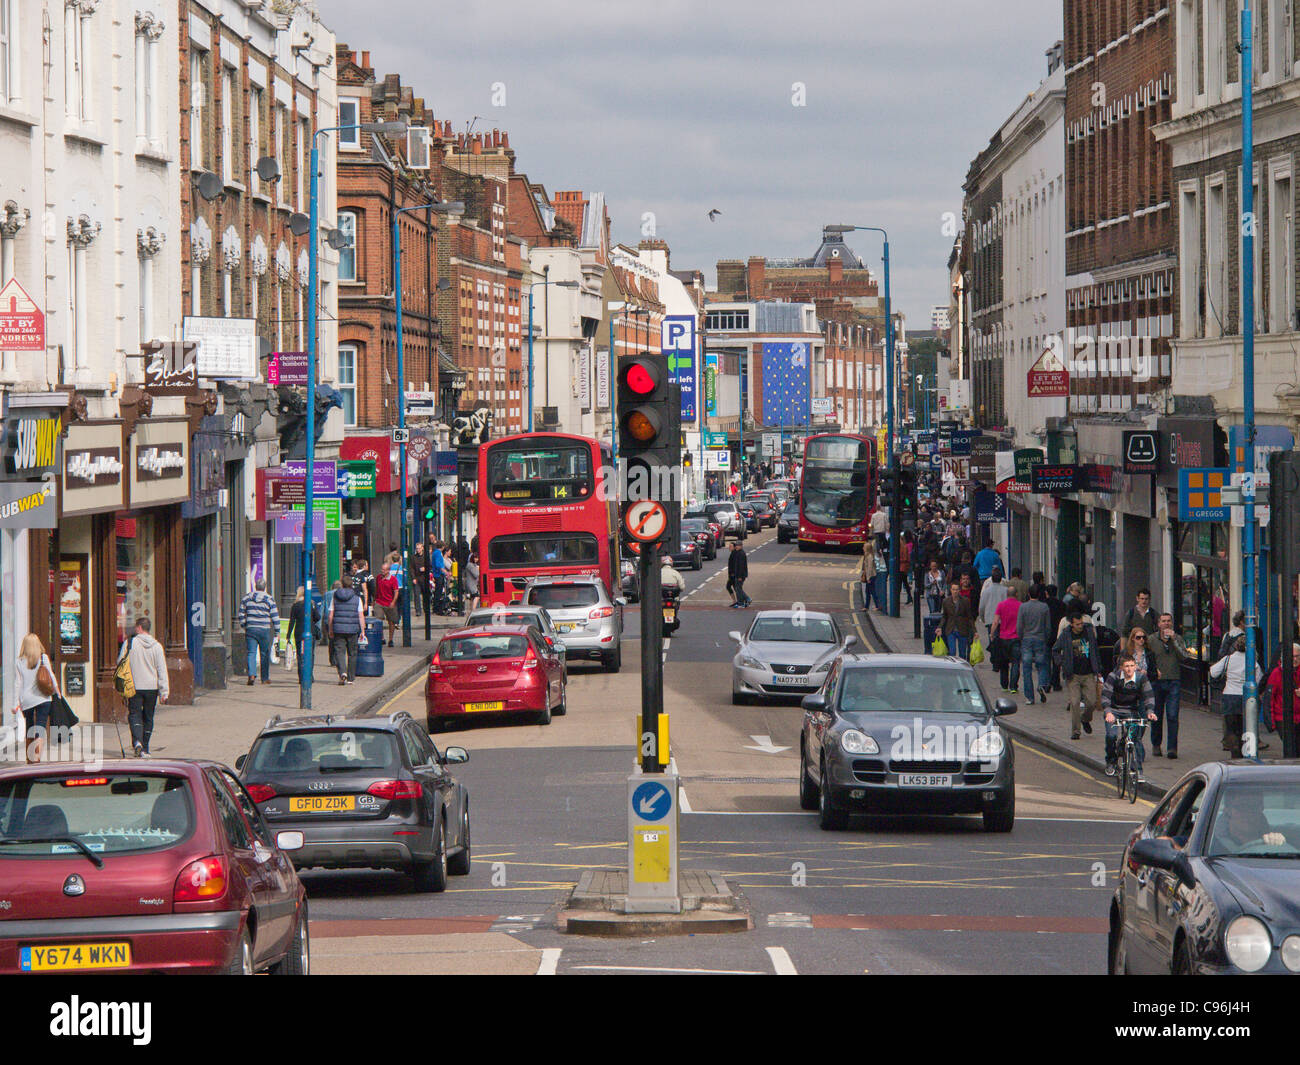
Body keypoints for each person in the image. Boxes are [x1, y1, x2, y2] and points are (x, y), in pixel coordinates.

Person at [117, 617, 169, 757]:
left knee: (134, 715)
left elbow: (120, 663)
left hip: (134, 686)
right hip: (151, 687)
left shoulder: (130, 643)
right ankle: (145, 747)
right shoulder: (157, 646)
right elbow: (161, 669)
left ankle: (137, 742)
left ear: (139, 627)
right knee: (148, 717)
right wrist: (164, 691)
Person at [1101, 653, 1158, 779]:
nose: (1129, 669)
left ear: (1135, 666)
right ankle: (1111, 761)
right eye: (1126, 666)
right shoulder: (1113, 677)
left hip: (1132, 711)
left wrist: (1150, 711)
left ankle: (1137, 771)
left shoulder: (1141, 678)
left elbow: (1149, 695)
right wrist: (1108, 712)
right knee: (1111, 736)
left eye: (1132, 666)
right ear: (1121, 668)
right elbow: (1105, 696)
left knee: (1135, 740)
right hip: (1114, 711)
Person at [1210, 635, 1263, 759]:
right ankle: (1248, 753)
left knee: (1232, 728)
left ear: (1235, 646)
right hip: (1246, 697)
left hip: (1229, 696)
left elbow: (1213, 672)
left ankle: (1235, 753)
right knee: (1247, 728)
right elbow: (1259, 679)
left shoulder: (1228, 659)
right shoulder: (1253, 662)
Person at [1053, 611, 1101, 740]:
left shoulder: (1089, 632)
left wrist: (1098, 668)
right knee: (1074, 702)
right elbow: (1055, 650)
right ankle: (1076, 731)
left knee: (1091, 702)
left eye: (1081, 623)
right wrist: (1062, 662)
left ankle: (1085, 719)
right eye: (1077, 624)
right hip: (1073, 674)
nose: (1080, 626)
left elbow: (1095, 650)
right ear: (1072, 624)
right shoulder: (1066, 635)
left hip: (1088, 673)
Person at [1147, 613, 1189, 759]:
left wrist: (1174, 640)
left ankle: (1172, 748)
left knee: (1172, 715)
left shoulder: (1177, 638)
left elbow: (1184, 656)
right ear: (1159, 624)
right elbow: (1147, 658)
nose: (1166, 624)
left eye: (1168, 621)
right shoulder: (1151, 639)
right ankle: (1156, 744)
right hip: (1157, 682)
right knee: (1156, 715)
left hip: (1173, 681)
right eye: (1163, 621)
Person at [14, 633, 55, 762]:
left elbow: (17, 683)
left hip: (26, 700)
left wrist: (15, 703)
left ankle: (29, 758)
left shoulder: (19, 661)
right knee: (41, 727)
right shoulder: (44, 658)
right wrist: (57, 691)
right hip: (43, 698)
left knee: (29, 727)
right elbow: (51, 676)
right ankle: (37, 757)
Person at [238, 578, 280, 686]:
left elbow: (241, 613)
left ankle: (251, 675)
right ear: (265, 587)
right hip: (264, 629)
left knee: (251, 653)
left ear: (255, 586)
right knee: (264, 653)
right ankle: (264, 678)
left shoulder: (247, 598)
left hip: (251, 628)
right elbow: (275, 616)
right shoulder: (269, 599)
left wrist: (244, 625)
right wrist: (277, 631)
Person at [327, 573, 366, 685]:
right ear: (352, 585)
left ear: (342, 584)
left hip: (338, 629)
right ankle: (350, 678)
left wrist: (330, 629)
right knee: (352, 653)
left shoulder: (335, 597)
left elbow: (330, 615)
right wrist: (362, 631)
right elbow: (361, 616)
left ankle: (342, 672)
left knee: (339, 652)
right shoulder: (357, 598)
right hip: (353, 629)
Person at [1018, 584, 1052, 706]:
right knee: (1041, 664)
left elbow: (1019, 626)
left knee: (1026, 668)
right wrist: (1046, 638)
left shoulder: (1023, 607)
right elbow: (1048, 626)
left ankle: (1029, 697)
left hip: (1027, 639)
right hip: (1040, 638)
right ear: (1039, 594)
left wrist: (1021, 637)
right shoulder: (1044, 607)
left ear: (1028, 594)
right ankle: (1041, 684)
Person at [285, 586, 319, 687]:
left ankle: (301, 676)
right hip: (310, 632)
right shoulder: (311, 604)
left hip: (299, 633)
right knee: (310, 654)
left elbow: (292, 621)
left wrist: (288, 635)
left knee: (300, 655)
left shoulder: (295, 605)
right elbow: (317, 617)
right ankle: (309, 675)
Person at [992, 588, 1022, 694]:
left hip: (1003, 637)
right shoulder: (1020, 605)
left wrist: (992, 634)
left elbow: (996, 621)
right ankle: (1013, 686)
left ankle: (1004, 685)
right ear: (1016, 594)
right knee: (1015, 663)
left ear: (1006, 594)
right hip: (1016, 638)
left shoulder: (1001, 605)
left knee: (1004, 663)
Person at [1266, 644, 1300, 734]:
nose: (1295, 659)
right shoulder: (1276, 674)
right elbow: (1269, 698)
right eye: (1292, 657)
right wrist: (1271, 722)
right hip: (1283, 718)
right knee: (1292, 746)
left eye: (1297, 656)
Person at [940, 580, 975, 660]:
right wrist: (939, 627)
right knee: (952, 652)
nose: (955, 591)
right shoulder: (946, 601)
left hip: (962, 629)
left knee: (962, 653)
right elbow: (944, 616)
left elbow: (969, 617)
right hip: (951, 629)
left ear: (959, 590)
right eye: (953, 589)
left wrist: (974, 631)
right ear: (950, 590)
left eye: (957, 589)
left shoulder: (965, 601)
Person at [978, 566, 1009, 643]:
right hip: (1003, 620)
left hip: (990, 619)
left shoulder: (986, 591)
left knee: (992, 642)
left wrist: (983, 618)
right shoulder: (1006, 591)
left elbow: (981, 607)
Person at [375, 562, 400, 646]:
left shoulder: (393, 579)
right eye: (381, 569)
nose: (382, 571)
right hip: (379, 602)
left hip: (389, 602)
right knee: (378, 620)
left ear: (388, 570)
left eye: (384, 570)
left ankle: (390, 639)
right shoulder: (378, 577)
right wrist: (374, 600)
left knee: (391, 622)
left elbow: (396, 592)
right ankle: (381, 638)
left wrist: (393, 602)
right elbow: (377, 589)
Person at [727, 541, 751, 608]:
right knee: (738, 588)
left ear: (741, 546)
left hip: (740, 575)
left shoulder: (741, 554)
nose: (736, 546)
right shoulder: (738, 553)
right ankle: (743, 601)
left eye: (737, 545)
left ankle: (743, 601)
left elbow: (740, 566)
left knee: (738, 588)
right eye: (736, 545)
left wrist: (739, 576)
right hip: (738, 574)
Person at [411, 542, 431, 618]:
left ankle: (426, 609)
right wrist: (413, 578)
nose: (418, 550)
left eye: (419, 548)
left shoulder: (426, 557)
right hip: (417, 578)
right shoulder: (413, 557)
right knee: (416, 594)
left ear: (422, 548)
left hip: (424, 578)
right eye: (417, 548)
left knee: (425, 594)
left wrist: (425, 569)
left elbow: (430, 566)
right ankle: (418, 610)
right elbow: (411, 568)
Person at [899, 530, 914, 605]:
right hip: (903, 567)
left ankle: (909, 598)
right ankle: (910, 598)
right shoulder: (903, 547)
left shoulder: (903, 547)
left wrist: (898, 560)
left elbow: (905, 558)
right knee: (904, 583)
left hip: (902, 567)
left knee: (901, 583)